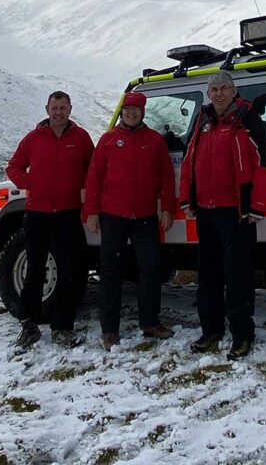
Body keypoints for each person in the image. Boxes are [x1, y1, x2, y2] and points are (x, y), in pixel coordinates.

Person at [179, 71, 266, 359]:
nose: (218, 94)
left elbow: (263, 164)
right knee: (208, 275)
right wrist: (186, 199)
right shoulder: (202, 120)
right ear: (208, 94)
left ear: (234, 91)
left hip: (237, 212)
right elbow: (188, 160)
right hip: (206, 211)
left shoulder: (248, 119)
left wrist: (256, 205)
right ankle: (211, 331)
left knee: (237, 275)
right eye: (214, 89)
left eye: (223, 88)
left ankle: (242, 335)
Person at [84, 91, 177, 350]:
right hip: (113, 215)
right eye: (127, 109)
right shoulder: (108, 140)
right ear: (122, 112)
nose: (131, 113)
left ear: (143, 112)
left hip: (145, 216)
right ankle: (109, 329)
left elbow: (166, 177)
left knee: (151, 268)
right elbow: (94, 177)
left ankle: (150, 322)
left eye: (136, 109)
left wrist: (168, 208)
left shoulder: (155, 140)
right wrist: (91, 211)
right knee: (110, 271)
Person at [6, 90, 94, 349]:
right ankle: (29, 325)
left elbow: (93, 168)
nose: (58, 112)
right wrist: (29, 182)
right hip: (37, 214)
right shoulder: (33, 139)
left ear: (70, 109)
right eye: (54, 108)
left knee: (70, 271)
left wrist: (85, 190)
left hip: (68, 213)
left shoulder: (81, 138)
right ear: (47, 110)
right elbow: (13, 167)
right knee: (35, 271)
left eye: (63, 108)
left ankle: (62, 327)